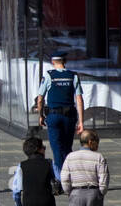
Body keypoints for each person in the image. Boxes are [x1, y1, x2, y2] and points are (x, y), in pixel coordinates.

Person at [34, 53, 84, 188]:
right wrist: (81, 121)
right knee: (67, 147)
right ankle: (70, 176)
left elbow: (40, 98)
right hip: (69, 116)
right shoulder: (73, 76)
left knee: (57, 148)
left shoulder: (49, 76)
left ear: (52, 61)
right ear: (65, 61)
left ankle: (62, 180)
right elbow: (79, 99)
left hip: (53, 116)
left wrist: (41, 115)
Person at [61, 129, 110, 206]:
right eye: (97, 142)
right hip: (94, 193)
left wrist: (69, 192)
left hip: (76, 193)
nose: (97, 145)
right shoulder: (99, 157)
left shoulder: (70, 157)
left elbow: (65, 178)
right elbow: (104, 178)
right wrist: (101, 193)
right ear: (90, 141)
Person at [10, 134, 58, 206]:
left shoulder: (22, 165)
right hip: (47, 203)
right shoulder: (49, 163)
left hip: (29, 204)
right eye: (43, 147)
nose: (44, 149)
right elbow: (60, 178)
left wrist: (18, 204)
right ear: (38, 149)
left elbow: (16, 190)